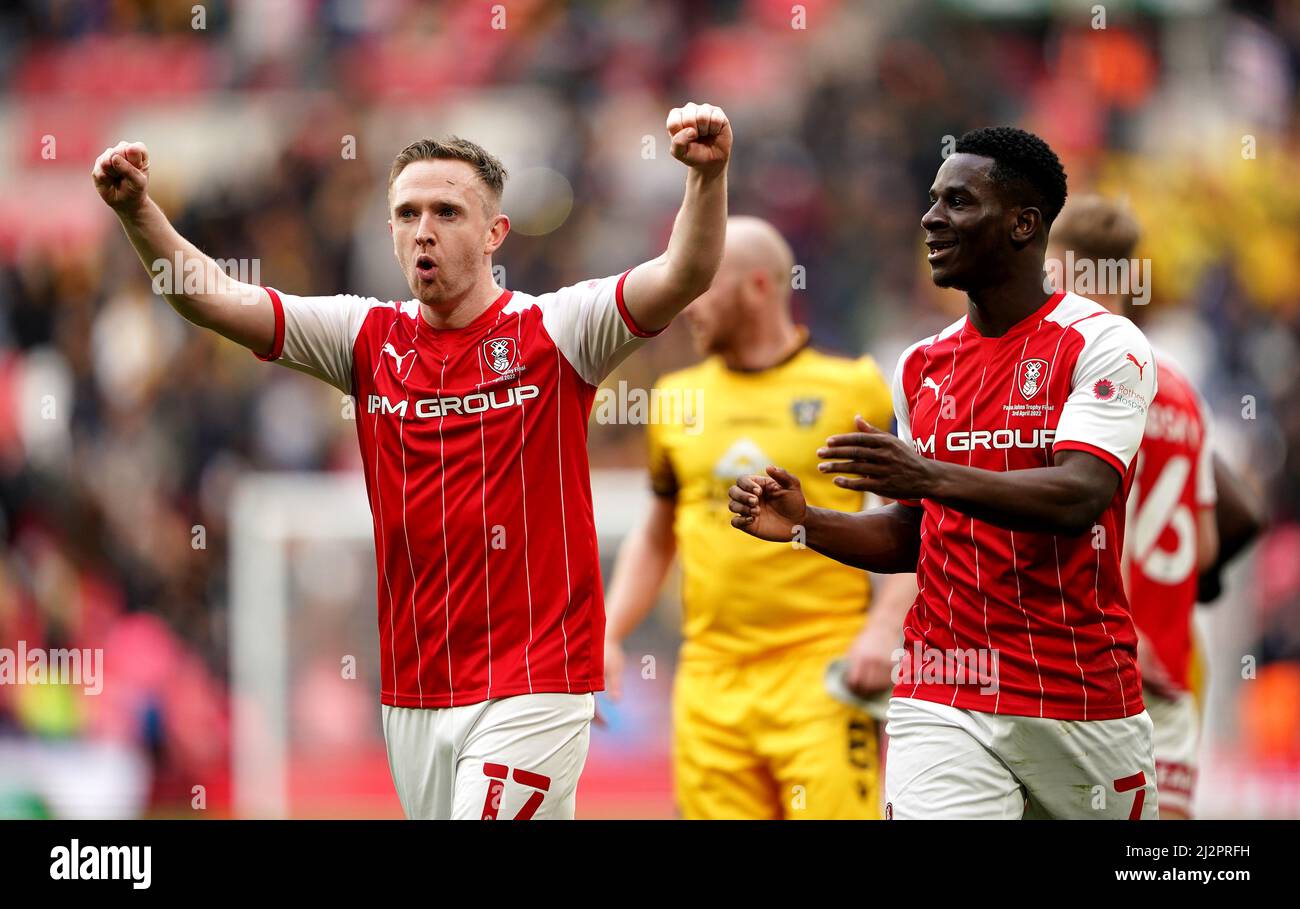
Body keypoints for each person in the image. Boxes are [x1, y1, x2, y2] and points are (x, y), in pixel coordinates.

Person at [91, 101, 732, 820]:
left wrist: (706, 179)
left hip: (535, 680)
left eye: (447, 213)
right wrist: (139, 213)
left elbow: (684, 272)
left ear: (495, 232)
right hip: (415, 693)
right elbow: (213, 299)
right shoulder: (364, 337)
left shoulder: (559, 328)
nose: (423, 229)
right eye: (406, 213)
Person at [729, 127, 1160, 819]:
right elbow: (916, 533)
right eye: (932, 201)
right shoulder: (919, 365)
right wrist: (810, 525)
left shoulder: (1103, 343)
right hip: (942, 687)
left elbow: (1081, 494)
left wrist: (926, 474)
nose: (930, 218)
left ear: (1024, 224)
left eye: (958, 201)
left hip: (1077, 694)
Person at [603, 215, 914, 819]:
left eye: (702, 286)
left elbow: (917, 520)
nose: (686, 304)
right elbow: (657, 532)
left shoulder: (856, 390)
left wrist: (884, 626)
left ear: (758, 287)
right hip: (708, 682)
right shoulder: (673, 400)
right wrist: (610, 633)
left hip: (820, 670)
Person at [1047, 194, 1263, 818]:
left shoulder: (1077, 381)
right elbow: (1207, 545)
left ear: (1063, 271)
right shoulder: (1183, 390)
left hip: (1084, 667)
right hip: (1167, 678)